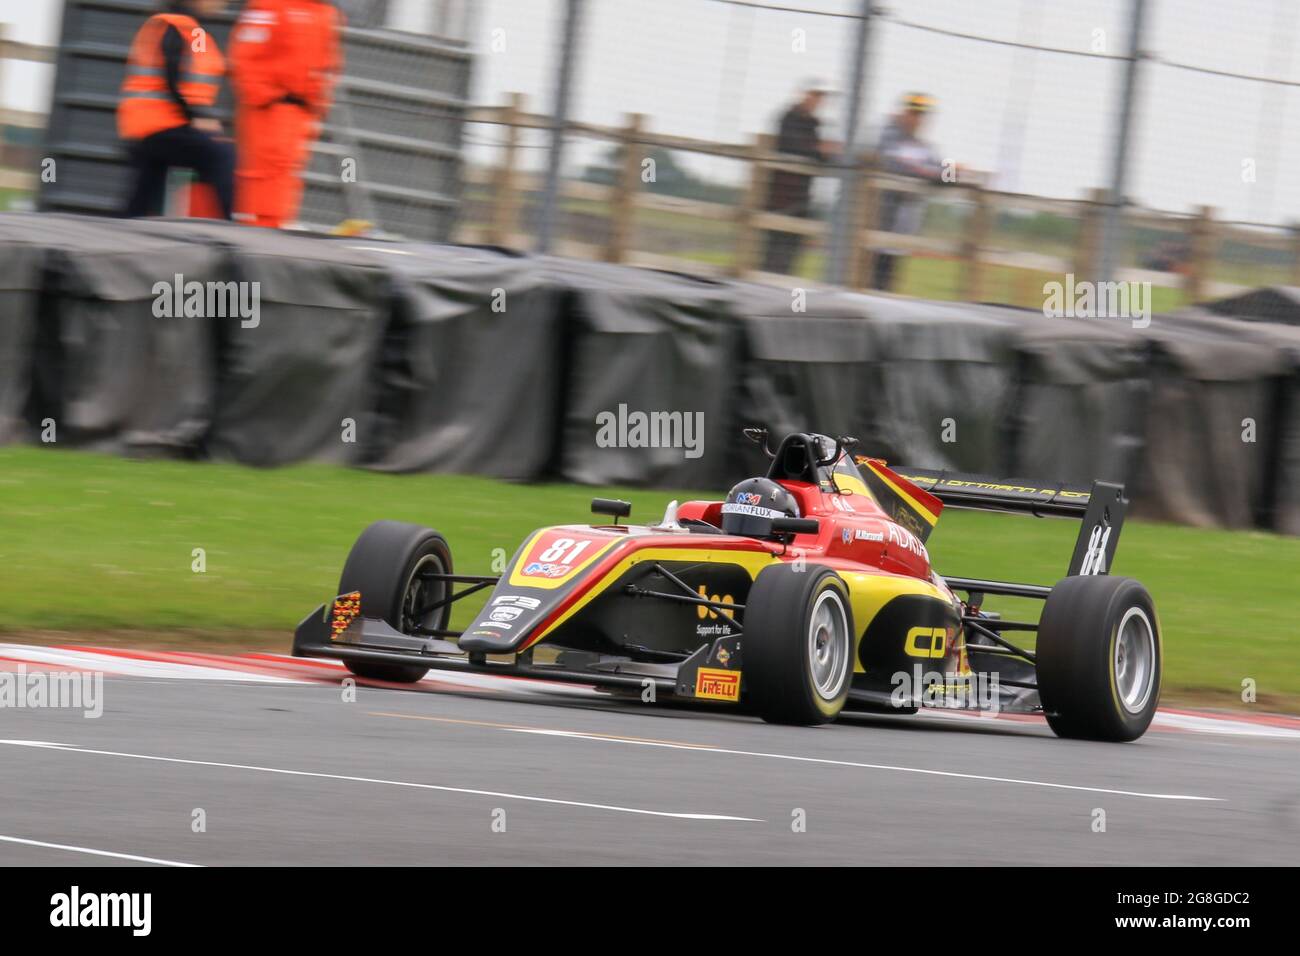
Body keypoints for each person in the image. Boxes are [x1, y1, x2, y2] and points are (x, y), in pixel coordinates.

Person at [229, 0, 344, 229]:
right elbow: (245, 56)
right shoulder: (269, 6)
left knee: (286, 178)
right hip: (270, 110)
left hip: (300, 113)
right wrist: (267, 98)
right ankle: (261, 233)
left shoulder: (325, 14)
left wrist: (317, 105)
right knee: (262, 178)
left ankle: (274, 229)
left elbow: (329, 64)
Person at [118, 0, 234, 219]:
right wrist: (197, 115)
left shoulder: (176, 25)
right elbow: (176, 75)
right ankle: (231, 228)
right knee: (222, 156)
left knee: (140, 200)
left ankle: (115, 239)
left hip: (146, 125)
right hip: (163, 124)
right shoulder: (183, 27)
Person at [872, 92, 945, 291]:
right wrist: (926, 172)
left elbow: (943, 171)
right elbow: (894, 165)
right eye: (913, 113)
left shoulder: (925, 147)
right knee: (868, 283)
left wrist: (951, 171)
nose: (917, 119)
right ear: (903, 113)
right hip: (878, 225)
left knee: (887, 285)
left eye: (921, 115)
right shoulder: (888, 138)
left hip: (904, 229)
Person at [762, 80, 836, 275]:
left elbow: (817, 153)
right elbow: (795, 147)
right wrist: (820, 150)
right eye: (815, 95)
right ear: (803, 94)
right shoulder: (789, 118)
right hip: (781, 199)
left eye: (821, 97)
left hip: (800, 200)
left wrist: (822, 151)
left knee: (790, 255)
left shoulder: (811, 124)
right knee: (775, 254)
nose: (818, 101)